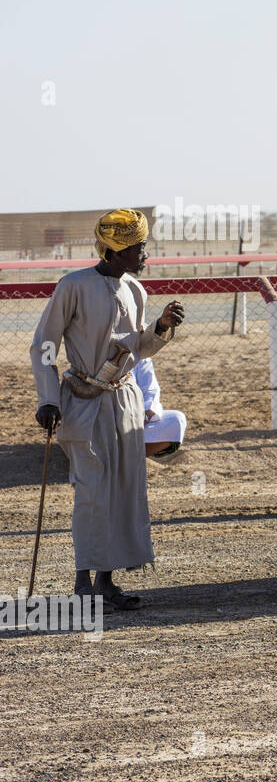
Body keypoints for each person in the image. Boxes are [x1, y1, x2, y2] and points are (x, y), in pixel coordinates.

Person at [30, 208, 185, 609]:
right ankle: (83, 581)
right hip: (82, 402)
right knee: (93, 490)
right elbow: (44, 345)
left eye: (143, 247)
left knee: (123, 489)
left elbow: (138, 348)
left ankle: (106, 581)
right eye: (137, 248)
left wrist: (162, 328)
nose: (144, 255)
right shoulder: (73, 286)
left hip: (125, 401)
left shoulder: (137, 290)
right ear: (113, 253)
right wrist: (48, 399)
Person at [133, 357, 187, 458]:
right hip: (99, 419)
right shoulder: (95, 349)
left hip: (133, 419)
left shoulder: (138, 352)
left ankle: (129, 460)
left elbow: (150, 390)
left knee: (176, 420)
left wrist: (145, 415)